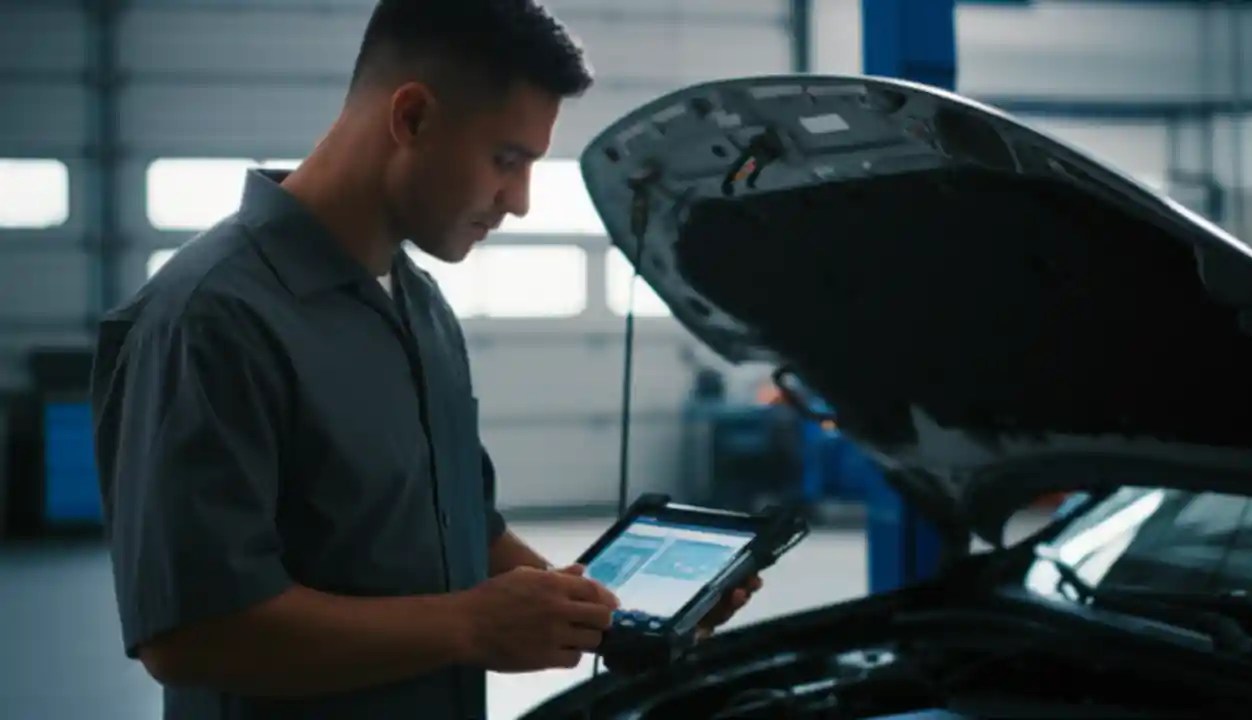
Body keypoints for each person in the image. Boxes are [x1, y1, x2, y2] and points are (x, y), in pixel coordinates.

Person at [89, 2, 760, 719]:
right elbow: (190, 635)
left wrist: (616, 616)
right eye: (507, 161)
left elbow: (470, 529)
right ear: (411, 118)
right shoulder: (208, 319)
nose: (520, 202)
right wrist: (469, 627)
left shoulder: (419, 304)